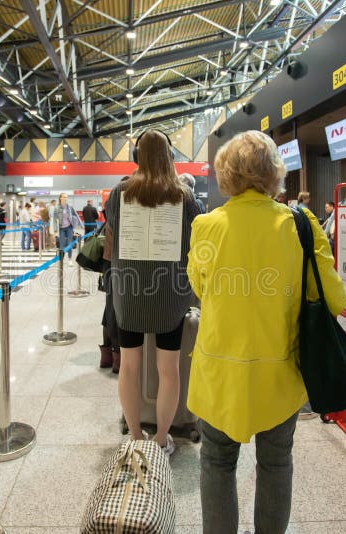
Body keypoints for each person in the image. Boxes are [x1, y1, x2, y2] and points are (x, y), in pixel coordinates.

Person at [186, 130, 346, 534]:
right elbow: (334, 299)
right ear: (275, 173)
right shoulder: (301, 223)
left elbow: (200, 287)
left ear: (225, 174)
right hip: (281, 371)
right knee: (276, 462)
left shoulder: (206, 225)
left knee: (216, 462)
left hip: (219, 372)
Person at [105, 130, 202, 456]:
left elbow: (112, 229)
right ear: (170, 156)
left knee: (129, 366)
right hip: (170, 294)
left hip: (129, 291)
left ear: (137, 157)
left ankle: (135, 435)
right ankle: (161, 438)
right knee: (168, 369)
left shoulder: (119, 192)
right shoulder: (184, 195)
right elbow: (197, 234)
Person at [55, 193, 84, 265]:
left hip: (69, 227)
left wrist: (81, 225)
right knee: (62, 244)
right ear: (60, 198)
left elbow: (76, 215)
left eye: (66, 197)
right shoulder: (57, 208)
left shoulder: (70, 207)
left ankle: (70, 259)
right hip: (61, 228)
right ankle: (61, 259)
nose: (66, 198)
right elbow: (54, 219)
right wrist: (55, 230)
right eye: (64, 197)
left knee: (70, 243)